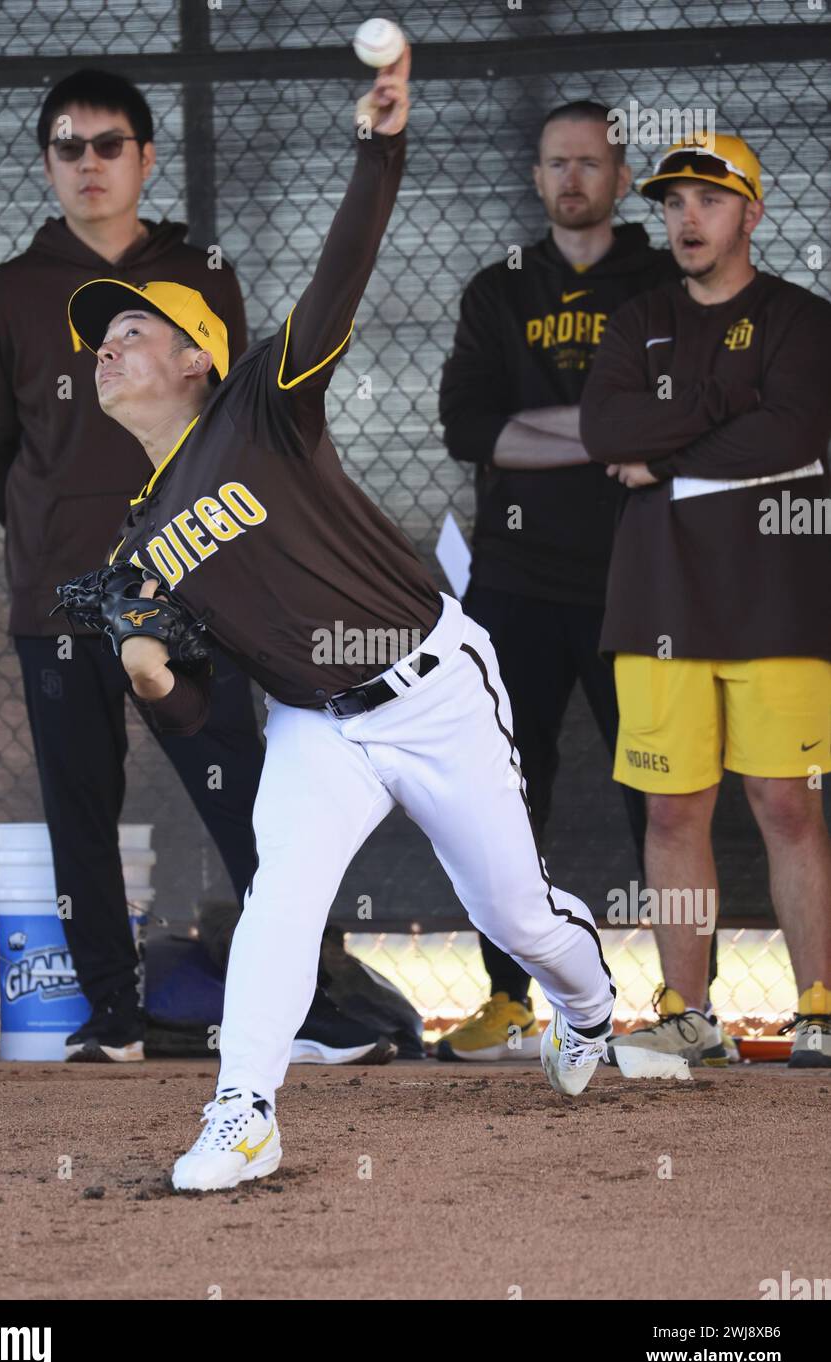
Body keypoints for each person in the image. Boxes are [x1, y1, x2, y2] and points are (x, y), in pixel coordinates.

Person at [66, 45, 617, 1191]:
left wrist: (381, 143)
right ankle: (243, 1110)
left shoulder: (262, 408)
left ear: (196, 359)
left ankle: (587, 998)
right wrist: (155, 675)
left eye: (131, 331)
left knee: (513, 911)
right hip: (316, 723)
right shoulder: (133, 546)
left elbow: (342, 271)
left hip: (433, 682)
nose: (107, 345)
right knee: (282, 896)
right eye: (100, 338)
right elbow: (205, 698)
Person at [0, 69, 262, 1062]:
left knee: (241, 791)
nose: (88, 163)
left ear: (145, 157)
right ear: (47, 163)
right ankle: (113, 1020)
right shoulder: (7, 292)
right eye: (67, 146)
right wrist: (65, 526)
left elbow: (234, 427)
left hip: (187, 584)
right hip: (60, 597)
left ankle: (288, 999)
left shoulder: (202, 276)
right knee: (80, 806)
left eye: (108, 143)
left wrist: (172, 546)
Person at [579, 133, 831, 1068]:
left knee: (785, 803)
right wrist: (734, 413)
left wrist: (666, 456)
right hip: (657, 596)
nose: (687, 218)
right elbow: (603, 427)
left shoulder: (804, 322)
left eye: (709, 201)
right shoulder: (636, 316)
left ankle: (818, 1006)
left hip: (779, 598)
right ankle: (687, 1010)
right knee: (673, 812)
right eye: (673, 202)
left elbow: (797, 426)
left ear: (751, 215)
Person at [436, 102, 676, 1061]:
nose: (571, 178)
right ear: (535, 179)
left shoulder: (663, 283)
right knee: (503, 785)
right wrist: (608, 434)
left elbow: (677, 420)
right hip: (515, 576)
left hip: (644, 576)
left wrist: (550, 431)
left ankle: (676, 1000)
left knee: (659, 792)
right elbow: (470, 430)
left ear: (620, 177)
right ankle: (510, 999)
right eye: (554, 163)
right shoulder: (497, 289)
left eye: (590, 163)